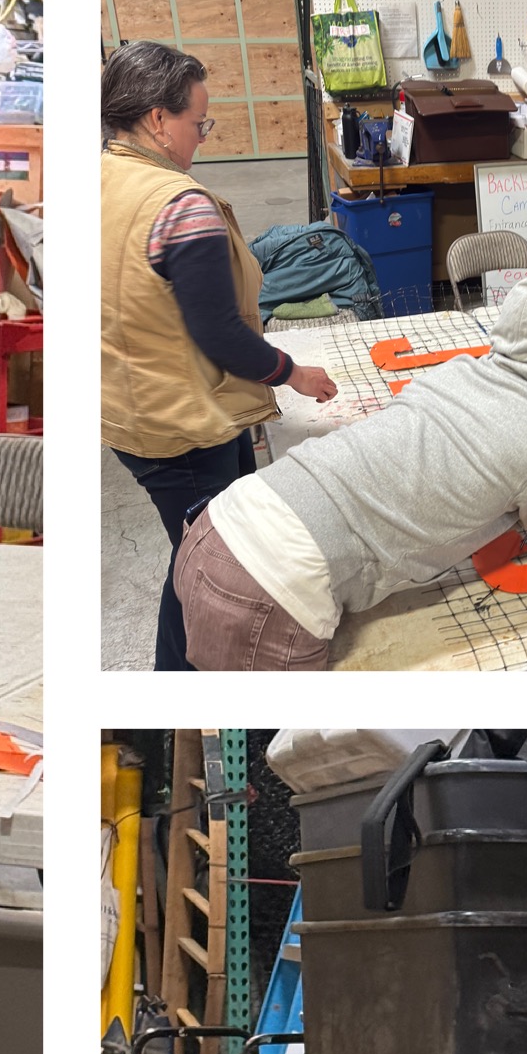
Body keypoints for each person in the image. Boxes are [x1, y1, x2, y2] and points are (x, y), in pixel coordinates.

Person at [171, 269, 527, 670]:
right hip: (269, 588)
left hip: (222, 521)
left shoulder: (459, 370)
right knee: (302, 759)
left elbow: (473, 453)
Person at [100, 40, 337, 670]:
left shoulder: (98, 180)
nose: (201, 136)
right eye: (197, 122)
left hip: (135, 410)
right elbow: (219, 333)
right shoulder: (179, 206)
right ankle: (181, 688)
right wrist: (293, 373)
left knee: (199, 551)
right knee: (208, 566)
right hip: (183, 422)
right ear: (157, 118)